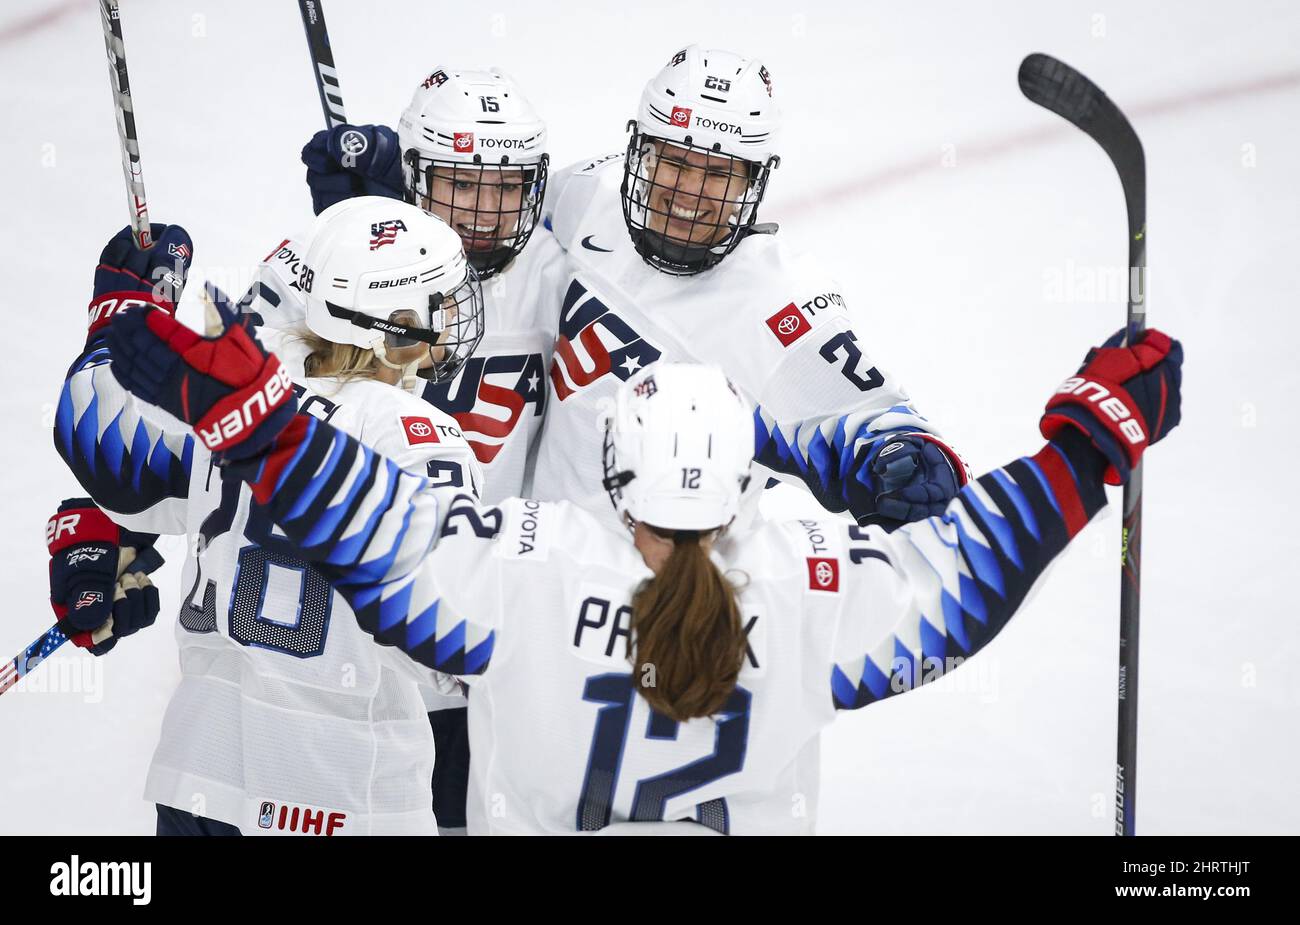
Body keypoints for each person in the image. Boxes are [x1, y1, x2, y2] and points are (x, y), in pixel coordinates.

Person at [101, 292, 1183, 834]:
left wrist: (253, 419)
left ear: (614, 478)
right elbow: (964, 575)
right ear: (744, 483)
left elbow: (378, 531)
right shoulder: (811, 582)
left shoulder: (533, 567)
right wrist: (1091, 443)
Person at [52, 197, 484, 835]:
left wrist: (130, 307)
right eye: (440, 305)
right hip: (343, 797)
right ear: (394, 327)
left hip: (199, 783)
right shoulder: (412, 433)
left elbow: (100, 442)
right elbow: (455, 640)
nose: (451, 325)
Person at [533, 44, 967, 528]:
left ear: (754, 181)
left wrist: (909, 460)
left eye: (719, 173)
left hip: (666, 590)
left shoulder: (778, 299)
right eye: (676, 162)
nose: (690, 192)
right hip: (534, 562)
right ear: (643, 154)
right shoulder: (587, 195)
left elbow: (872, 419)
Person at [259, 66, 563, 502]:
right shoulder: (319, 263)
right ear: (412, 175)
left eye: (510, 185)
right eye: (461, 182)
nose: (487, 211)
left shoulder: (555, 268)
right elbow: (226, 398)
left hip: (490, 554)